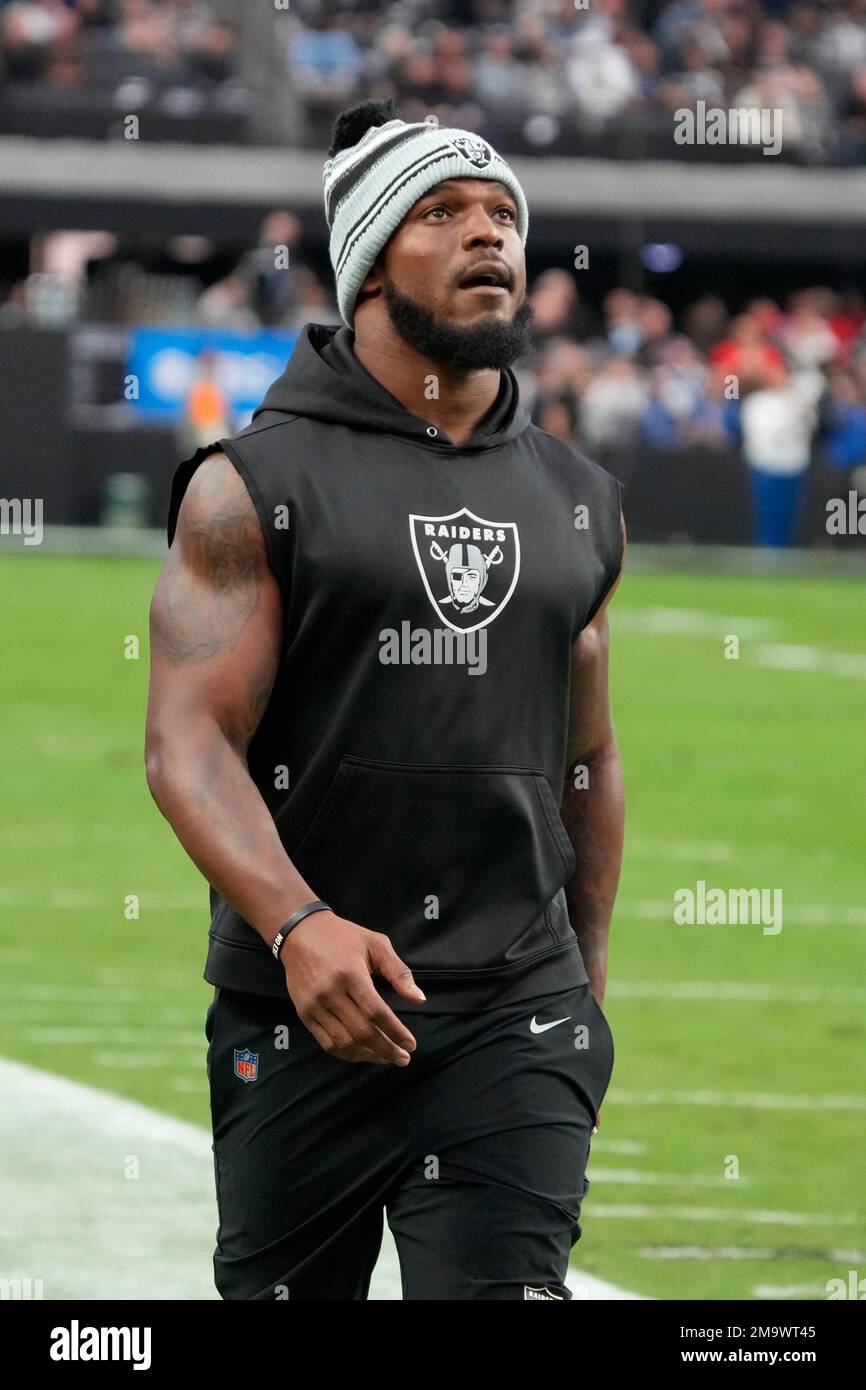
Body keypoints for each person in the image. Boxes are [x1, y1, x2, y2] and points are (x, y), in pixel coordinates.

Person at [145, 99, 626, 1301]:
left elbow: (589, 758)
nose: (488, 235)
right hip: (300, 1010)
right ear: (366, 263)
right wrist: (298, 924)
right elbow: (188, 742)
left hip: (517, 1007)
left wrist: (586, 977)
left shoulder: (578, 495)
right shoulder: (248, 483)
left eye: (503, 214)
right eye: (442, 212)